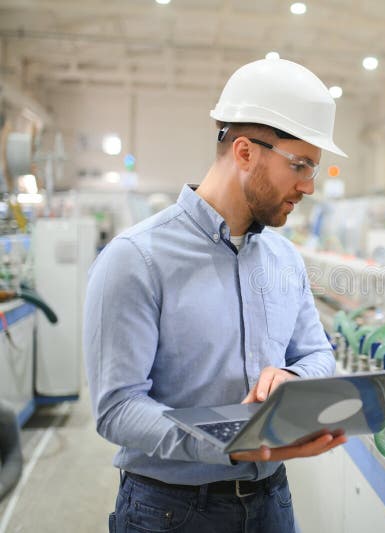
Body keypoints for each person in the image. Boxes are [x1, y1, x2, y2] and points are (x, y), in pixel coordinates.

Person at [84, 56, 348, 533]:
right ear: (245, 152)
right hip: (171, 511)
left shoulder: (284, 259)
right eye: (301, 165)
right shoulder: (136, 258)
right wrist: (229, 442)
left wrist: (291, 376)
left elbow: (316, 352)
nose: (309, 186)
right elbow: (118, 409)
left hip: (272, 500)